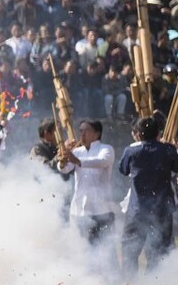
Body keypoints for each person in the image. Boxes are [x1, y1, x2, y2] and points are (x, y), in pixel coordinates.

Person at [118, 116, 178, 275]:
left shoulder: (131, 150)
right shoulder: (168, 150)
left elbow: (123, 170)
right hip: (162, 211)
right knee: (159, 253)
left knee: (130, 253)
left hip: (137, 211)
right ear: (158, 132)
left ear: (139, 134)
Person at [57, 119, 117, 246]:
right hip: (80, 209)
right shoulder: (77, 151)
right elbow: (64, 169)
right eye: (81, 131)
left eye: (87, 130)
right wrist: (62, 158)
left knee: (105, 249)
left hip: (101, 209)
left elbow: (101, 161)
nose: (82, 134)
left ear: (97, 133)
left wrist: (78, 161)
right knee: (82, 249)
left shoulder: (106, 149)